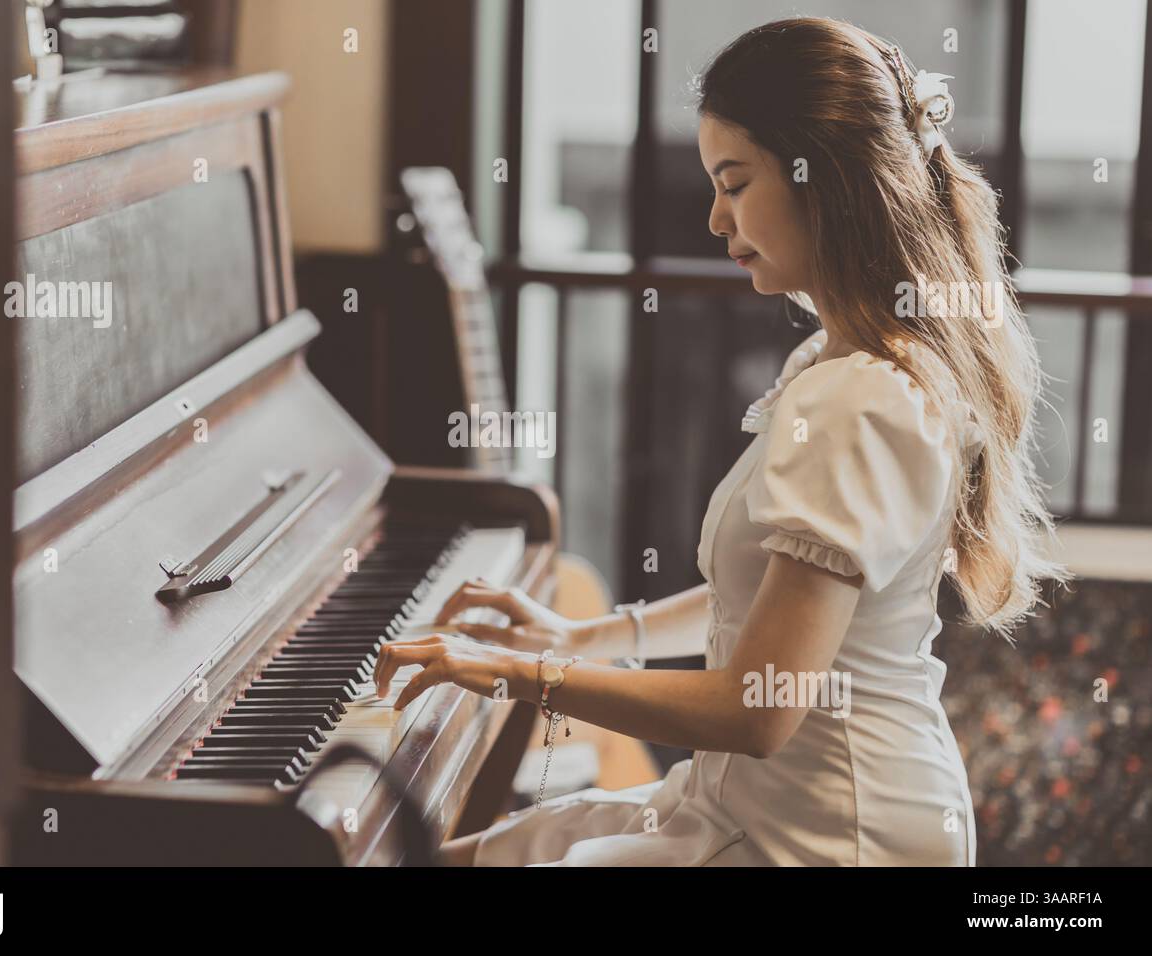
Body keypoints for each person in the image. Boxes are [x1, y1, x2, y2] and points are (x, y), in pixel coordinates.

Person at [372, 16, 1073, 866]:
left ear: (826, 179)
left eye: (734, 183)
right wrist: (583, 635)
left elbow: (756, 711)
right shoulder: (844, 357)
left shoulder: (864, 397)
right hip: (753, 804)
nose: (713, 218)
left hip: (828, 837)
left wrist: (518, 675)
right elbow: (764, 604)